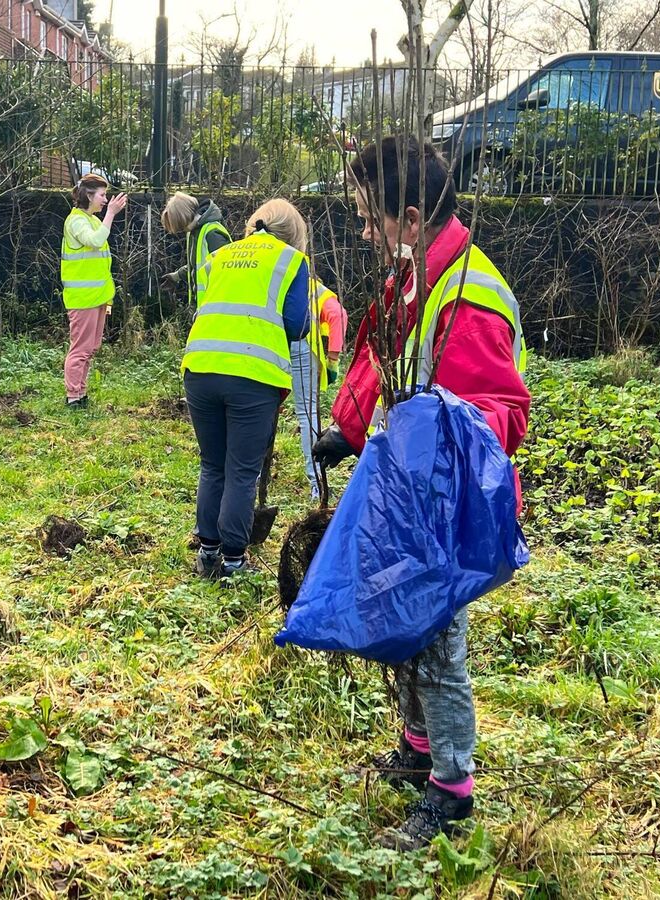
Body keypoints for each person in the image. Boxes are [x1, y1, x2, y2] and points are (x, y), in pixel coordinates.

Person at [311, 136, 529, 851]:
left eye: (372, 219)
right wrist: (350, 428)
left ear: (410, 217)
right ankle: (416, 748)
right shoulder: (415, 277)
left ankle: (452, 789)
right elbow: (385, 359)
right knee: (403, 625)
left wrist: (429, 443)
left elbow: (500, 410)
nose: (365, 233)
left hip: (445, 508)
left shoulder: (470, 295)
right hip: (407, 493)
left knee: (437, 646)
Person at [181, 198, 311, 580]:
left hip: (200, 365)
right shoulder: (290, 260)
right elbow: (298, 324)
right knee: (242, 471)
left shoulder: (221, 255)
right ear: (294, 235)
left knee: (212, 464)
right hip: (252, 375)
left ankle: (207, 555)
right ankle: (235, 561)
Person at [60, 173, 127, 409]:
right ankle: (73, 396)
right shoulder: (76, 221)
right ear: (88, 195)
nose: (105, 200)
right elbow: (95, 241)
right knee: (80, 349)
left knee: (91, 348)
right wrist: (111, 215)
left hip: (99, 298)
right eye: (102, 195)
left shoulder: (92, 220)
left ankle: (81, 392)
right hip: (83, 300)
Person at [289, 275, 348, 498]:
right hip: (302, 349)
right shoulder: (310, 284)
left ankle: (253, 477)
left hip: (266, 347)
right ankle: (316, 483)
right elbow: (338, 315)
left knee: (260, 410)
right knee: (307, 413)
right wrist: (333, 359)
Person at [160, 191, 232, 304]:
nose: (180, 230)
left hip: (215, 305)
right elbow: (197, 266)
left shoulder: (212, 234)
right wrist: (176, 276)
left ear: (183, 218)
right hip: (203, 305)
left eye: (179, 226)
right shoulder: (194, 232)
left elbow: (227, 270)